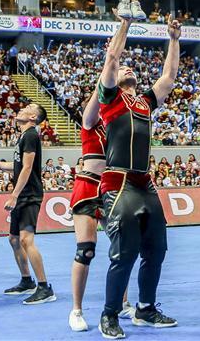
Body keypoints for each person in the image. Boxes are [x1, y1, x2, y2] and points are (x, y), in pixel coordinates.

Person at [95, 11, 181, 338]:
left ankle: (145, 309)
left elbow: (169, 78)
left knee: (157, 250)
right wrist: (126, 24)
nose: (127, 67)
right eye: (122, 68)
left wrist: (173, 40)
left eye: (133, 69)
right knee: (124, 253)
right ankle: (109, 315)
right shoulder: (110, 99)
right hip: (118, 184)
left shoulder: (144, 102)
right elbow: (114, 56)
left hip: (146, 184)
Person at [66, 94, 132, 331]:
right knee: (86, 250)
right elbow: (99, 98)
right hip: (88, 186)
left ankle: (122, 303)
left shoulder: (113, 126)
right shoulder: (89, 124)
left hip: (112, 188)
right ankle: (76, 310)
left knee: (122, 248)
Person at [0, 102, 55, 306]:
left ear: (33, 117)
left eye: (28, 108)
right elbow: (17, 166)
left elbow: (27, 168)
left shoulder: (32, 135)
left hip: (29, 195)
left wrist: (14, 195)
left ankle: (44, 287)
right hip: (22, 194)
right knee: (14, 239)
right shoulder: (23, 136)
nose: (22, 109)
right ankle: (26, 281)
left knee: (26, 240)